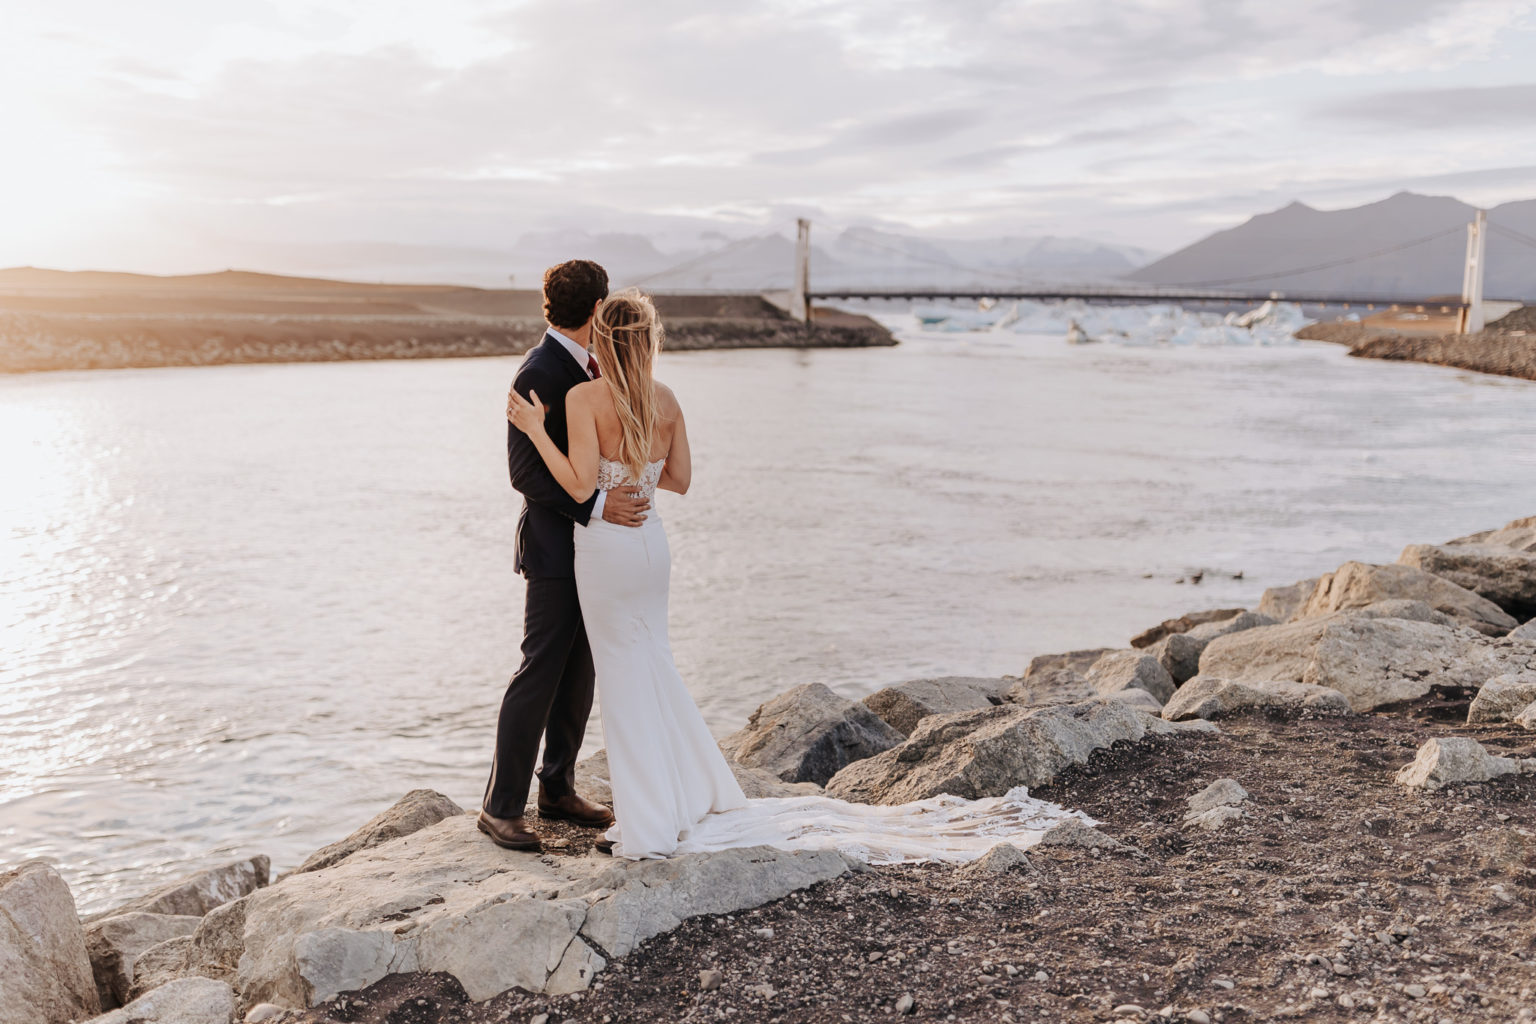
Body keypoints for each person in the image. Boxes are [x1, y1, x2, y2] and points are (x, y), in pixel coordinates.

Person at [507, 287, 1085, 863]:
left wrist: (537, 429)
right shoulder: (667, 399)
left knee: (623, 677)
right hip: (652, 548)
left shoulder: (584, 399)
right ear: (650, 341)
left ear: (602, 338)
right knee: (653, 662)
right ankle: (681, 799)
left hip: (609, 551)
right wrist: (635, 477)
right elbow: (679, 480)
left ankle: (651, 822)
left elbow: (581, 488)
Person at [478, 260, 649, 853]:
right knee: (540, 672)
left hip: (594, 552)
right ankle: (500, 807)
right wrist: (600, 506)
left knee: (581, 671)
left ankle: (557, 787)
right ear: (599, 308)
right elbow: (524, 473)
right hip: (556, 549)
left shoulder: (590, 365)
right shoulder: (541, 370)